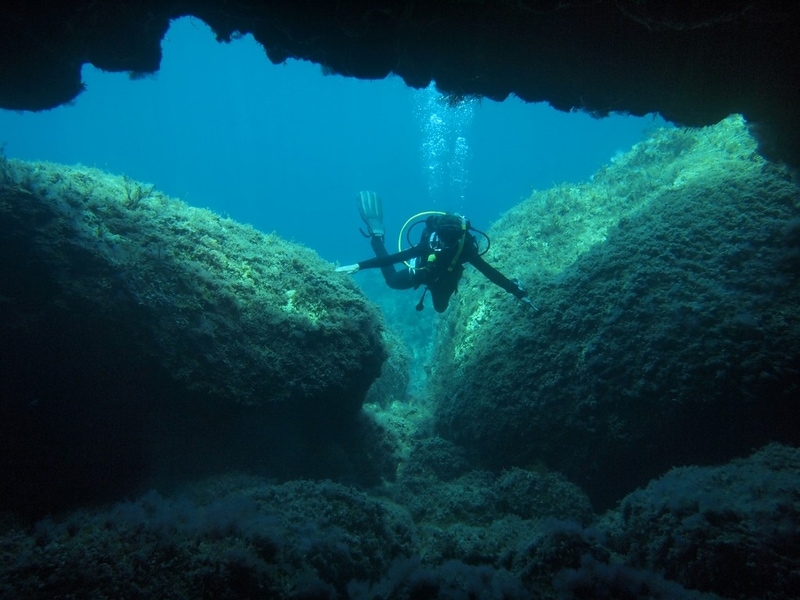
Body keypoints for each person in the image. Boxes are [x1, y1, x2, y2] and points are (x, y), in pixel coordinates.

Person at [336, 191, 534, 313]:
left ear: (459, 236)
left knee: (440, 309)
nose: (446, 244)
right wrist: (359, 265)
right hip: (423, 271)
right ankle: (376, 236)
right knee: (392, 281)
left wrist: (516, 291)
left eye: (451, 240)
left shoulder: (464, 249)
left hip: (446, 279)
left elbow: (489, 272)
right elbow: (395, 258)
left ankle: (435, 289)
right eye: (443, 238)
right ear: (437, 233)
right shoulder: (429, 244)